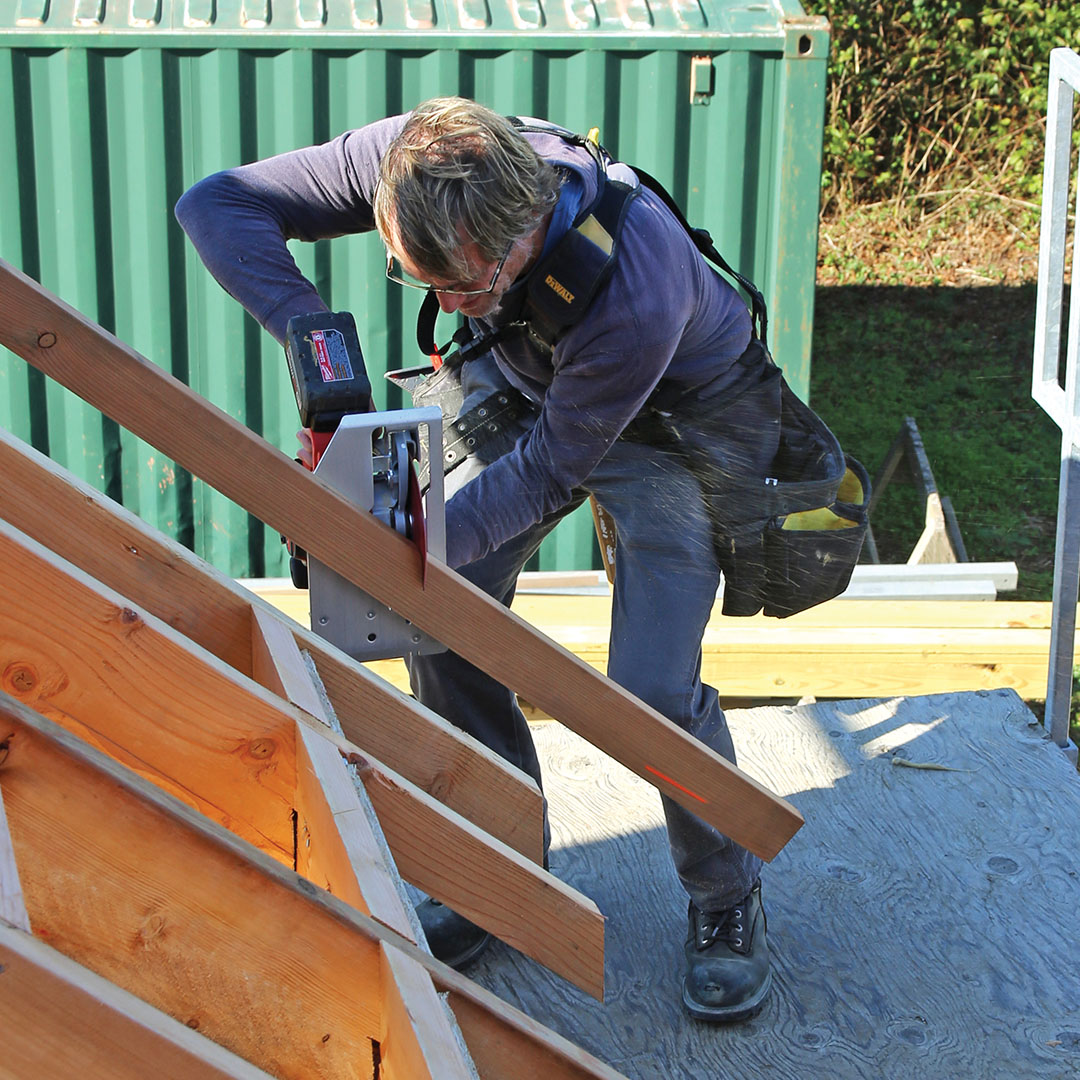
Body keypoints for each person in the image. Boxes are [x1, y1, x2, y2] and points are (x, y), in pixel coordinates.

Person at [175, 97, 780, 1022]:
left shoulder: (637, 285)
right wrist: (311, 333)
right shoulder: (420, 161)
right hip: (530, 375)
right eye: (416, 279)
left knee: (651, 689)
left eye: (458, 287)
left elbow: (544, 477)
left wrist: (394, 546)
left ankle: (724, 893)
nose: (441, 307)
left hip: (670, 427)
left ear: (525, 229)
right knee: (440, 610)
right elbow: (214, 204)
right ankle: (503, 866)